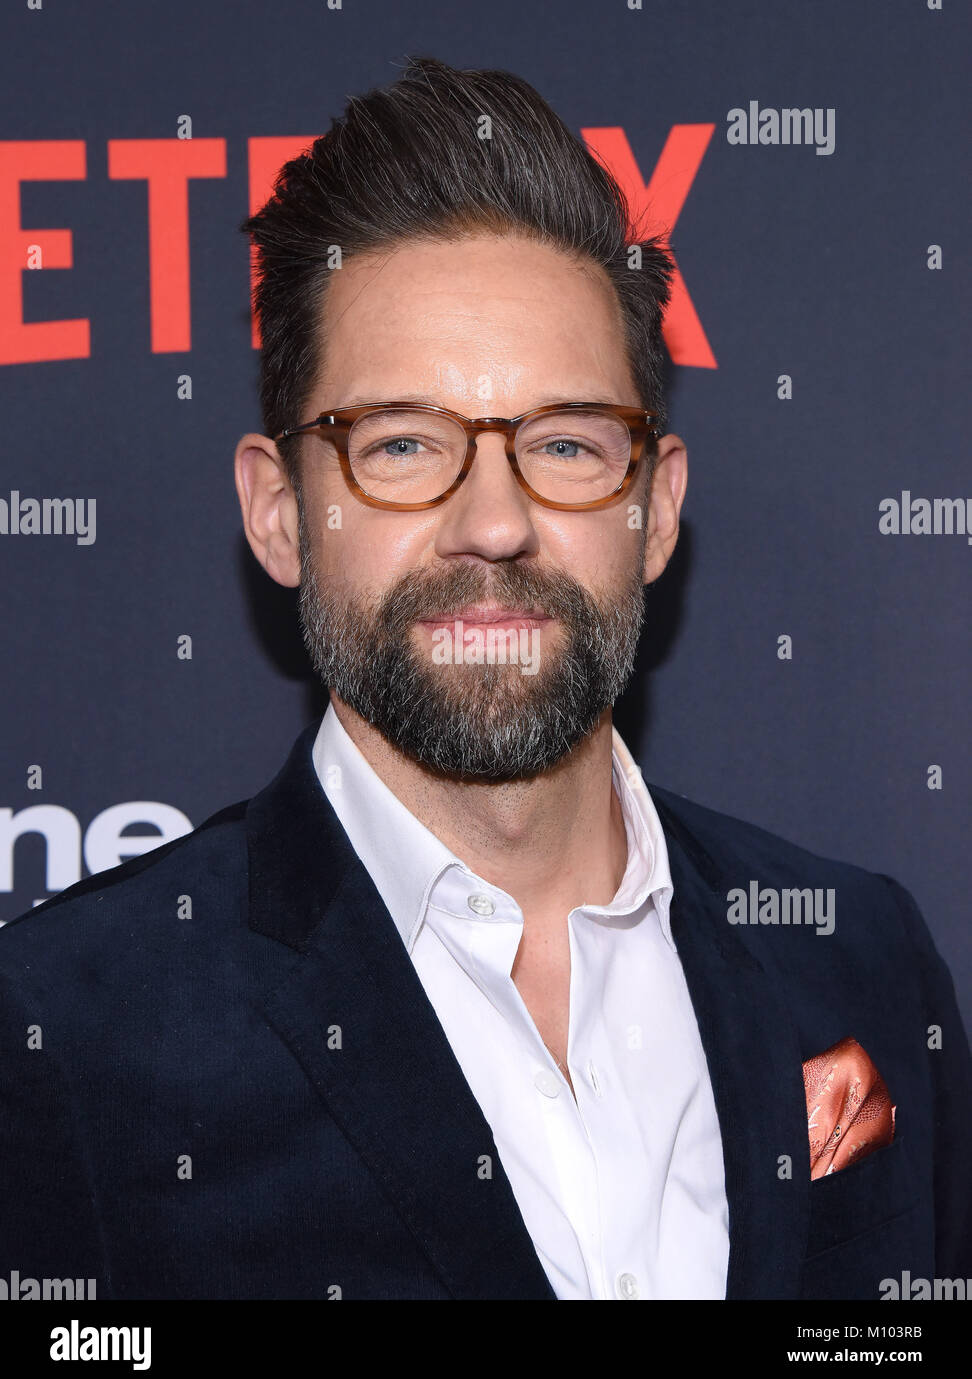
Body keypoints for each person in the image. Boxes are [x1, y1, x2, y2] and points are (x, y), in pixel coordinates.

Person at [1, 57, 968, 1302]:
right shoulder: (69, 1033)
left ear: (656, 509)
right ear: (280, 513)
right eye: (402, 445)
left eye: (566, 443)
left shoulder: (861, 955)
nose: (495, 522)